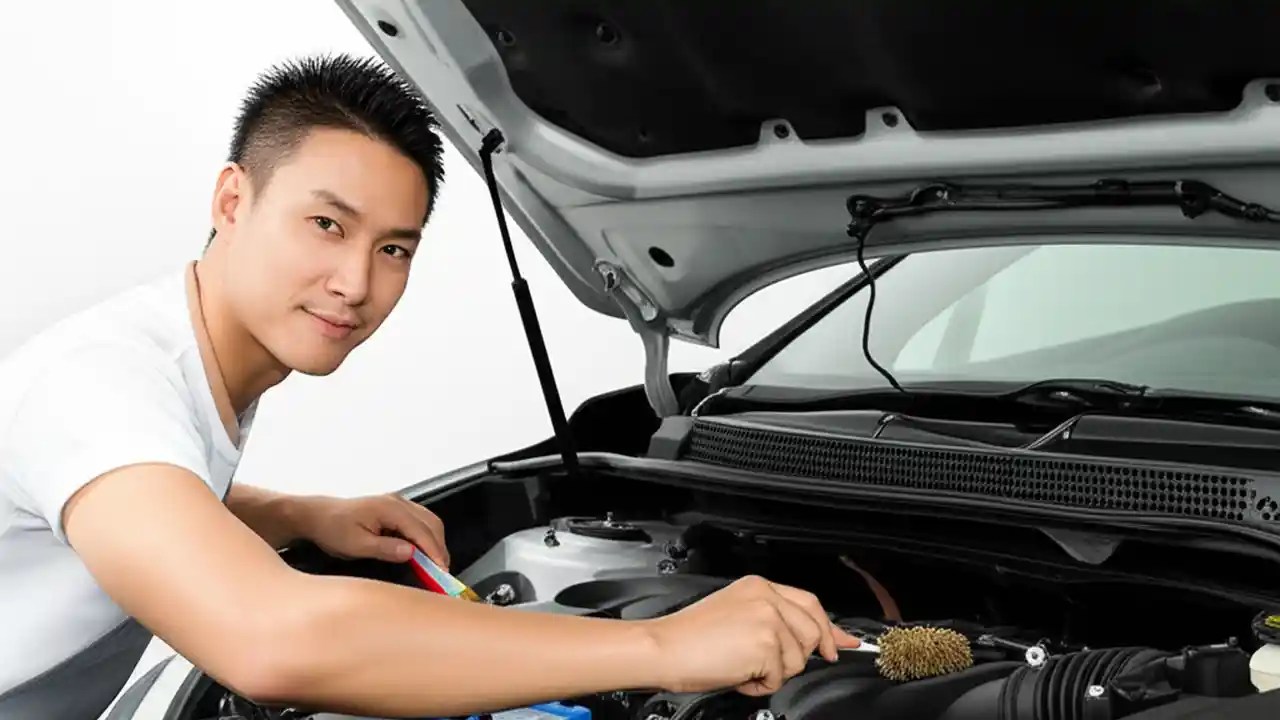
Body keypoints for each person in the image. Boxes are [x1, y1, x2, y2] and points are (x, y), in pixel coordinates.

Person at [0, 54, 859, 718]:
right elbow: (267, 640)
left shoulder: (170, 375)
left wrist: (296, 514)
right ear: (233, 199)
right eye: (327, 224)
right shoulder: (101, 384)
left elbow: (137, 491)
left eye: (393, 248)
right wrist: (664, 648)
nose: (354, 281)